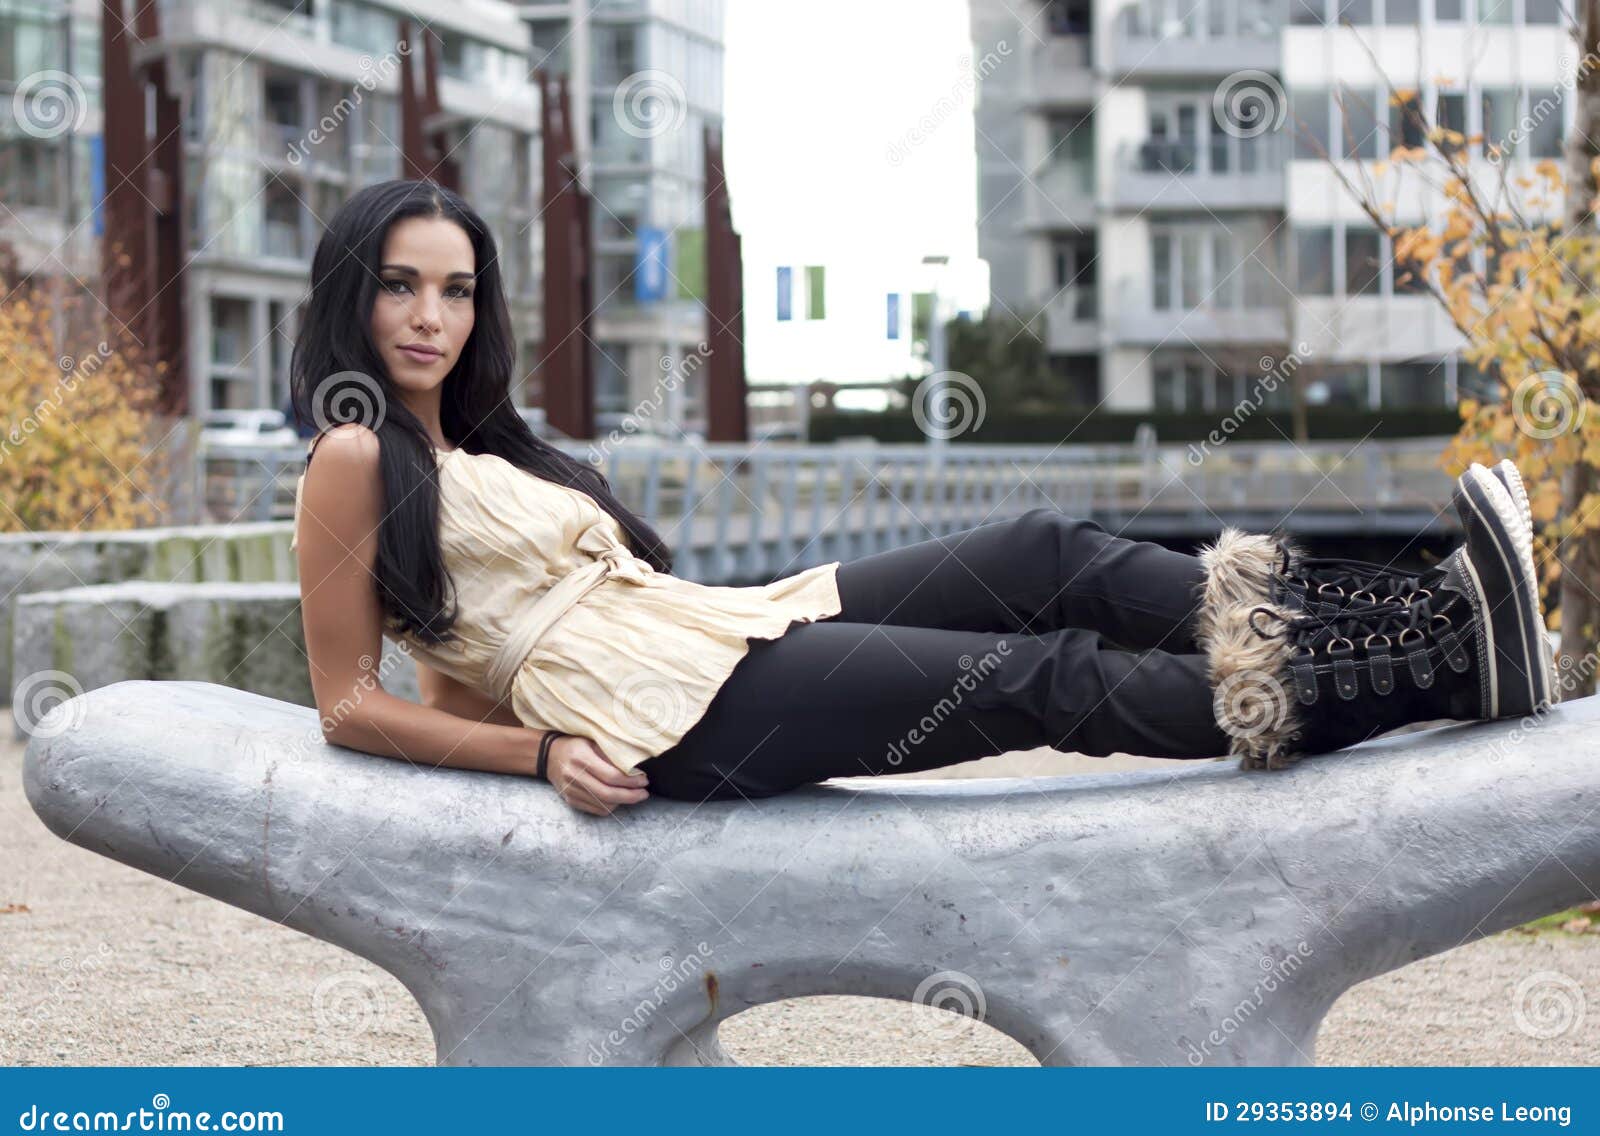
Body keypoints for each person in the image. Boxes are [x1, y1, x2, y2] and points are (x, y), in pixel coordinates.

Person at [291, 178, 1556, 816]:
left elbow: (460, 657)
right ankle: (1431, 677)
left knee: (1044, 546)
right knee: (1037, 674)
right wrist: (545, 752)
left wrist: (499, 714)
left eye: (455, 289)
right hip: (668, 718)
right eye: (403, 285)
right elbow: (350, 702)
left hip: (713, 624)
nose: (431, 316)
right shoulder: (350, 457)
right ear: (353, 290)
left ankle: (1422, 615)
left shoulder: (481, 445)